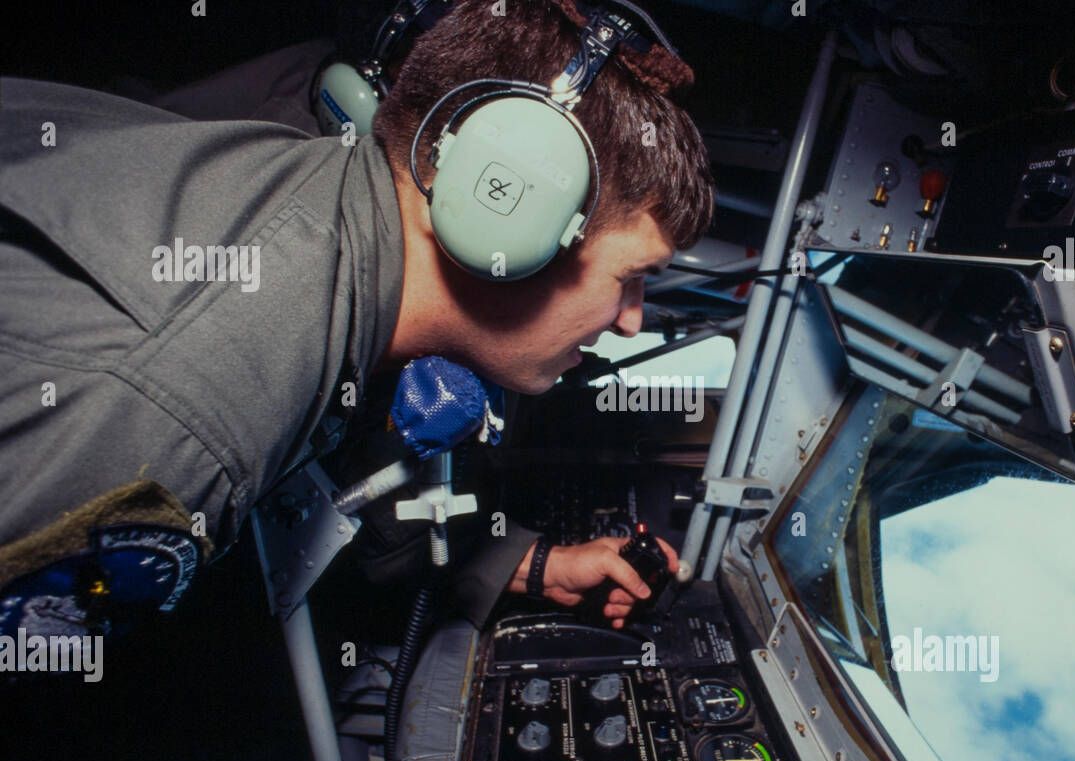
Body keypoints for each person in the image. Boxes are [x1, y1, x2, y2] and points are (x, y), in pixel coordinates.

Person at [0, 0, 713, 635]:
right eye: (630, 279)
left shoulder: (314, 207)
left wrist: (529, 564)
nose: (629, 322)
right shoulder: (180, 418)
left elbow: (354, 462)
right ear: (510, 213)